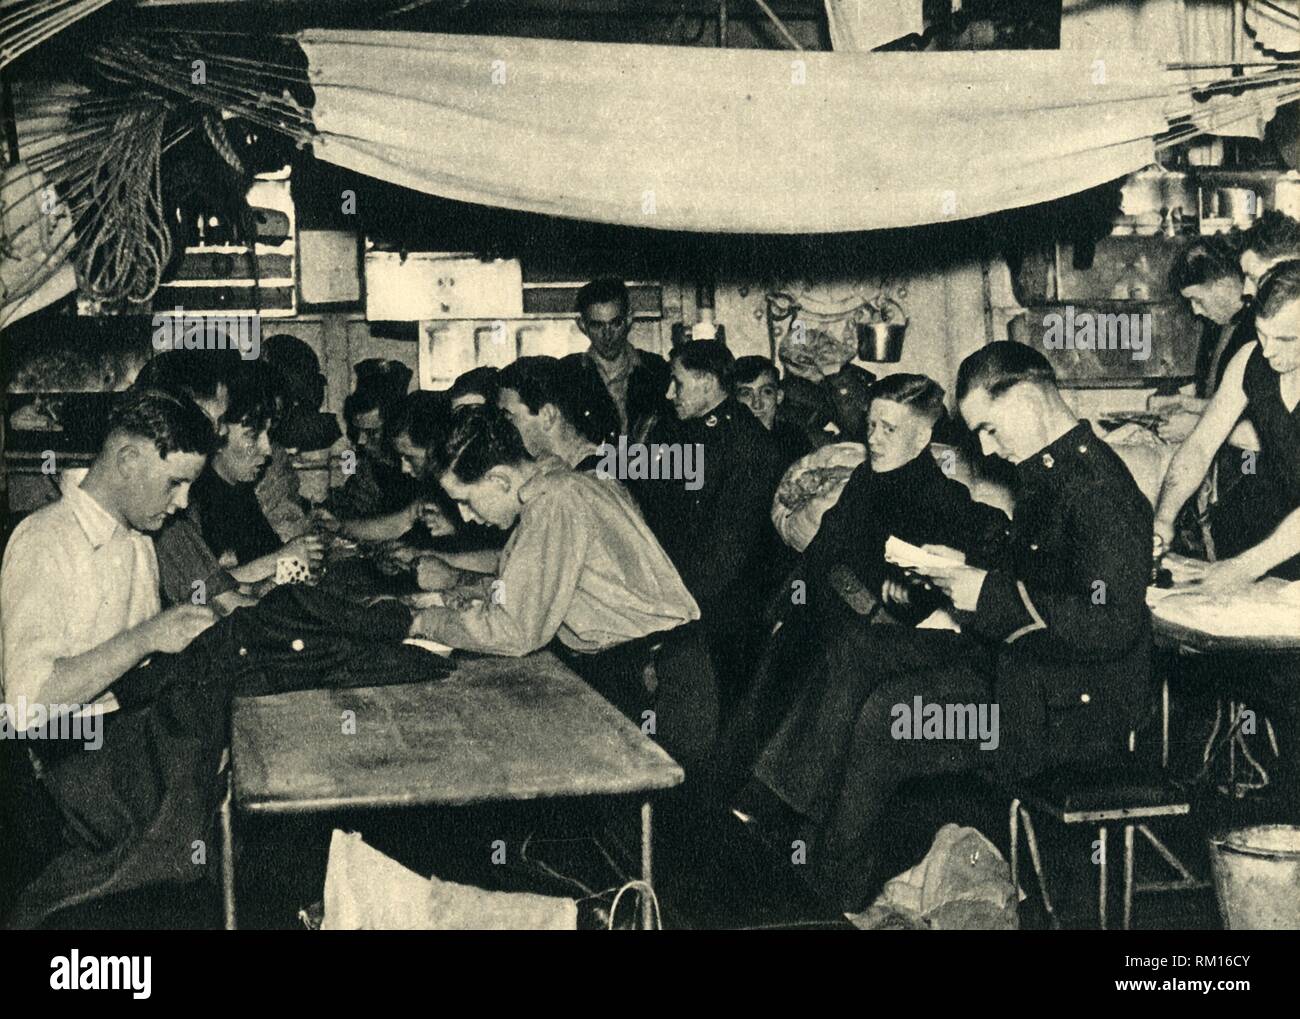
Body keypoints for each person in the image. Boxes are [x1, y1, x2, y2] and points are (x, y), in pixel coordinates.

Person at [754, 342, 1152, 911]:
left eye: (988, 428)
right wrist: (963, 571)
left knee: (890, 715)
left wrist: (985, 592)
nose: (986, 448)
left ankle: (824, 892)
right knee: (857, 648)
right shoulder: (1049, 469)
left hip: (1062, 710)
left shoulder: (1096, 489)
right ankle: (781, 812)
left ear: (1025, 397)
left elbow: (1109, 624)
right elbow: (1040, 577)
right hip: (1019, 666)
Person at [726, 374, 1009, 803]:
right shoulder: (864, 480)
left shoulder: (943, 499)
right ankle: (740, 801)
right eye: (871, 426)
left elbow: (987, 546)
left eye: (888, 429)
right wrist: (784, 610)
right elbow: (821, 551)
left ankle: (772, 806)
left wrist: (918, 585)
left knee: (800, 683)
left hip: (878, 637)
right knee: (763, 666)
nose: (874, 439)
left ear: (923, 436)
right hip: (826, 616)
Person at [0, 388, 226, 920]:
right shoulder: (44, 541)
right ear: (127, 460)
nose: (183, 503)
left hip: (118, 762)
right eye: (175, 483)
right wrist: (147, 637)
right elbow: (26, 706)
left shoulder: (138, 541)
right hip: (59, 789)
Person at [405, 405, 716, 769]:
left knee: (660, 815)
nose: (467, 516)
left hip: (656, 680)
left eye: (465, 500)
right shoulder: (567, 485)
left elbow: (515, 632)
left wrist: (422, 621)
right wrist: (468, 595)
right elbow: (537, 588)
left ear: (501, 480)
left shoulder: (554, 503)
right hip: (662, 667)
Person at [632, 340, 784, 704]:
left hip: (726, 617)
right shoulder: (684, 434)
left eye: (678, 383)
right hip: (693, 605)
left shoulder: (747, 446)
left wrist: (673, 614)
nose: (670, 394)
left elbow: (725, 551)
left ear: (708, 382)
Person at [1154, 259, 1300, 586]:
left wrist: (1243, 567)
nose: (1269, 351)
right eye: (1263, 334)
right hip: (1283, 540)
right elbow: (1201, 446)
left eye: (1286, 340)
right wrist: (1163, 521)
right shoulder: (1251, 358)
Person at [189, 360, 324, 584]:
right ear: (218, 433)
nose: (267, 450)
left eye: (268, 435)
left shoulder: (240, 491)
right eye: (252, 436)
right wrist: (278, 561)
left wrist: (305, 570)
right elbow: (198, 591)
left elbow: (272, 565)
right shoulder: (192, 501)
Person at [575, 278, 670, 442]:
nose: (607, 335)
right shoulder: (568, 375)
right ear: (582, 325)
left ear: (628, 319)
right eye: (597, 325)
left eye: (615, 323)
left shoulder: (657, 369)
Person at [497, 355, 621, 471]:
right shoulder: (581, 467)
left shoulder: (591, 477)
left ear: (547, 415)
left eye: (510, 418)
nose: (503, 429)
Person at [731, 355, 812, 470]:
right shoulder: (724, 444)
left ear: (779, 396)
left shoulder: (794, 438)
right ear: (734, 400)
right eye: (746, 394)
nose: (757, 404)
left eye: (766, 392)